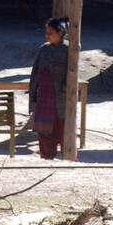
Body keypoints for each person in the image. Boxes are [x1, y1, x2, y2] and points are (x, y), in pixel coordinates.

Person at [29, 17, 70, 159]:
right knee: (45, 131)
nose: (47, 35)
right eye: (46, 32)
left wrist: (66, 88)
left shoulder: (68, 50)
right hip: (44, 98)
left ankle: (67, 158)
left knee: (63, 128)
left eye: (51, 32)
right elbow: (35, 74)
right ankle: (46, 157)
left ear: (61, 33)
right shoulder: (43, 50)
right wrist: (33, 96)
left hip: (60, 98)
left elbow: (71, 73)